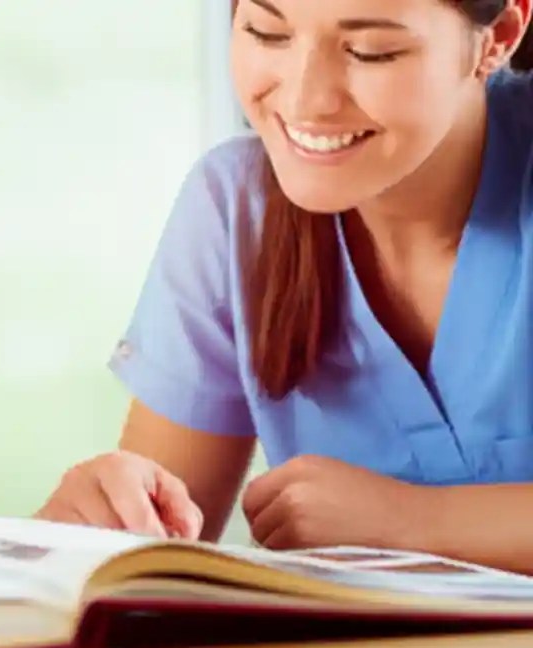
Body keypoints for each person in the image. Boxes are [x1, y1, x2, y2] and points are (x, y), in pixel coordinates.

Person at [37, 0, 533, 574]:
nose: (305, 101)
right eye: (268, 34)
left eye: (371, 51)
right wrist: (100, 521)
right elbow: (149, 559)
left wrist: (414, 523)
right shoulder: (233, 211)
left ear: (498, 36)